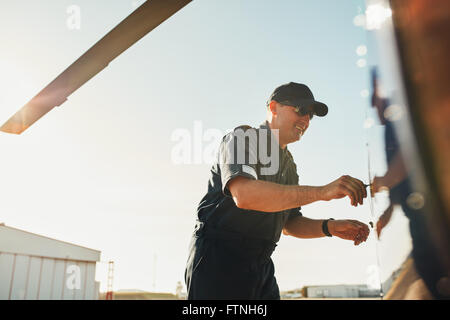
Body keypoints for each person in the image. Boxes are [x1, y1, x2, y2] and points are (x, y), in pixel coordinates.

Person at [184, 82, 369, 300]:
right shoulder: (242, 138)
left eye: (311, 115)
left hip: (261, 265)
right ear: (273, 107)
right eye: (301, 110)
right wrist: (322, 192)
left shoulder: (289, 165)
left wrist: (330, 227)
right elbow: (244, 195)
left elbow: (289, 224)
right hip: (218, 261)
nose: (306, 120)